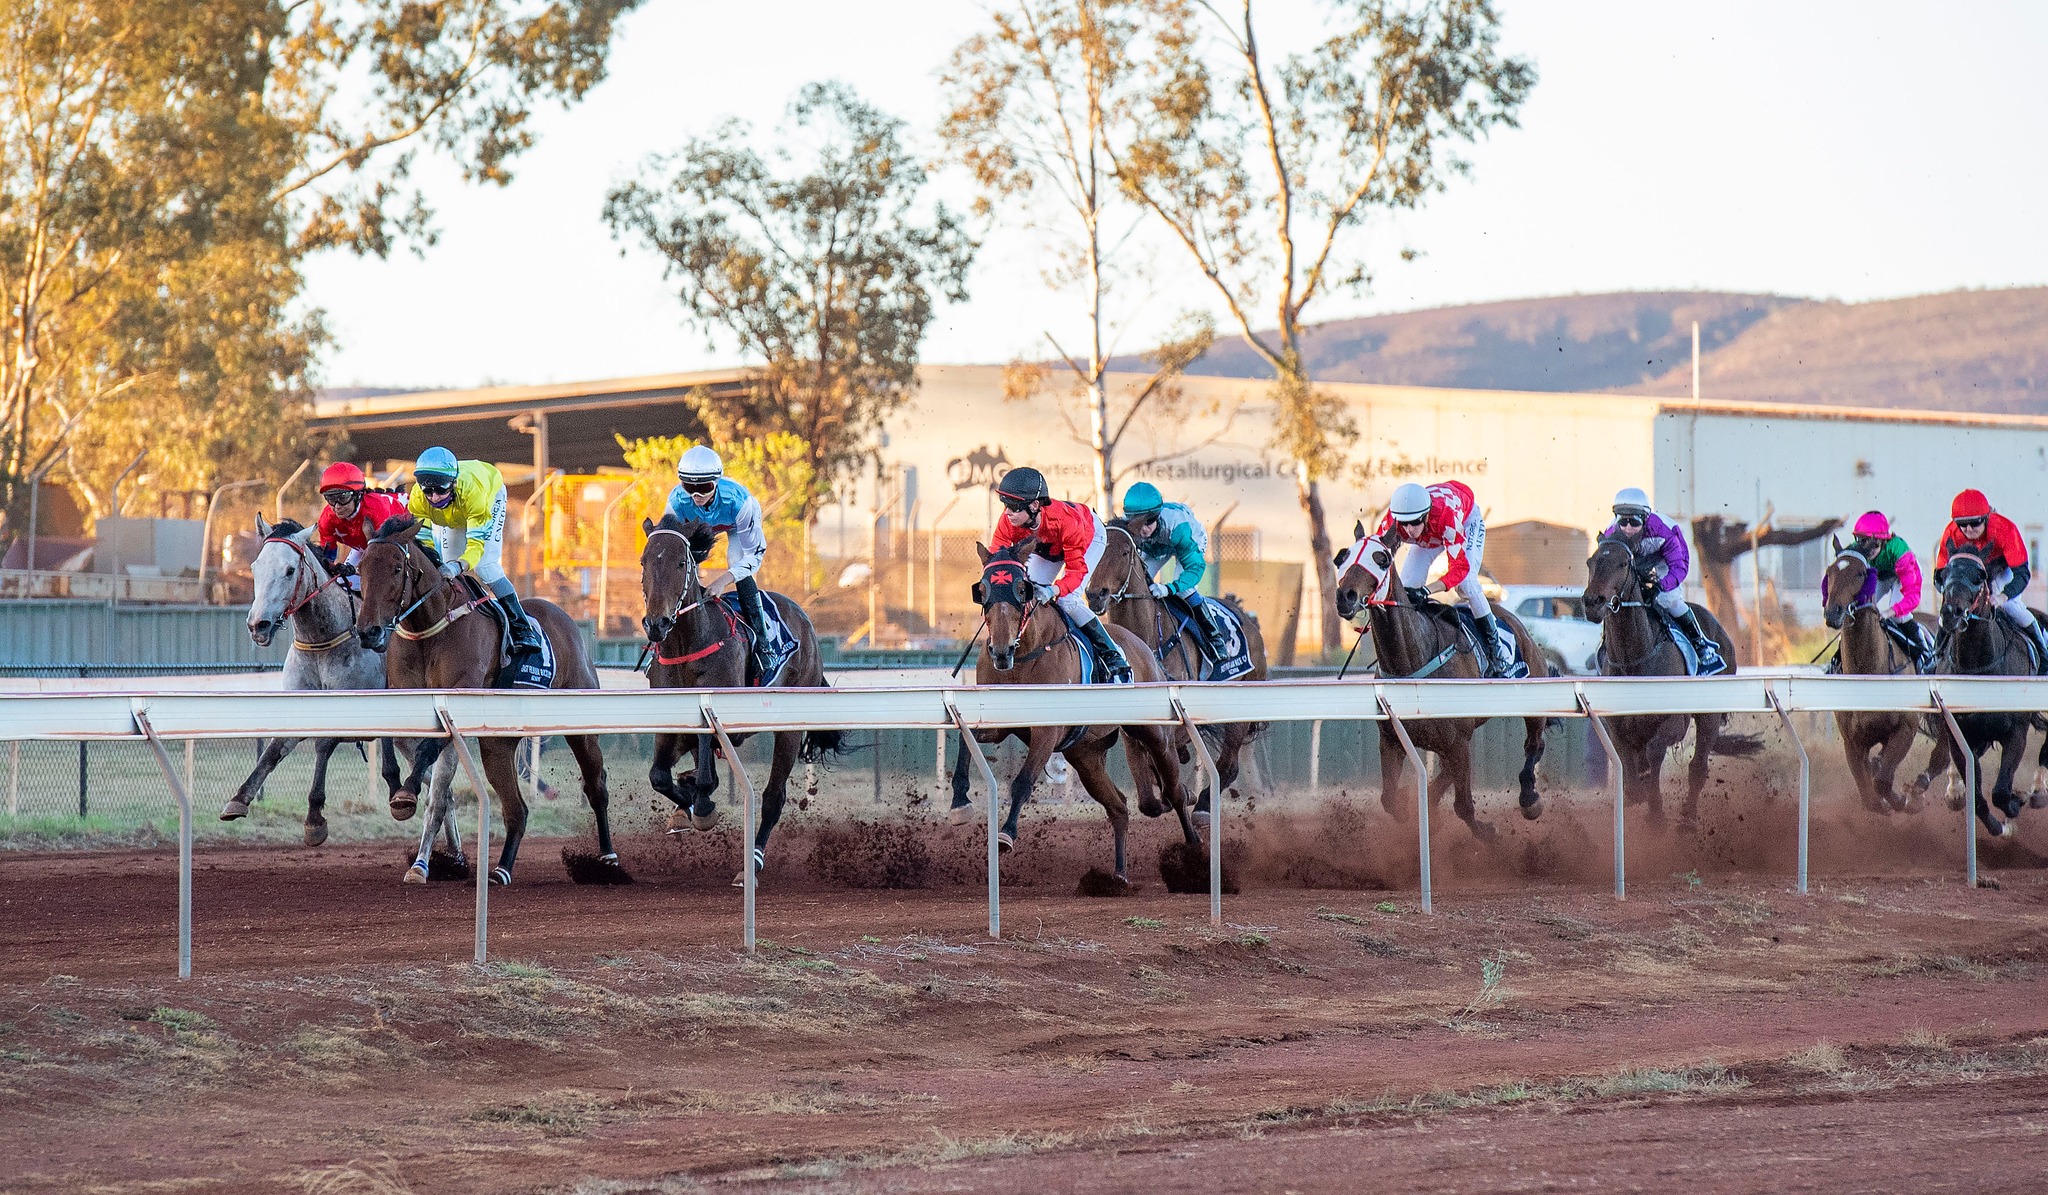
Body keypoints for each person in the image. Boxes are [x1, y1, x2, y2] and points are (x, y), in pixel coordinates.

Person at [990, 466, 1132, 683]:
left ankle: (1112, 654)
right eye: (1005, 506)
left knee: (1068, 601)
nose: (1007, 512)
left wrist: (1054, 589)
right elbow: (994, 562)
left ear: (1035, 505)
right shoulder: (1009, 522)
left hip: (1088, 537)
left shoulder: (1067, 522)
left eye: (1014, 507)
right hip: (1048, 547)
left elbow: (1077, 571)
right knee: (1030, 593)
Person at [406, 446, 542, 657]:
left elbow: (476, 547)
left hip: (488, 494)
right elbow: (425, 544)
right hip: (454, 513)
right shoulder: (417, 498)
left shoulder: (473, 492)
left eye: (441, 489)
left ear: (453, 482)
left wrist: (458, 565)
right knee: (445, 564)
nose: (434, 497)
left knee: (485, 567)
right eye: (428, 491)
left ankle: (522, 627)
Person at [1373, 479, 1510, 677]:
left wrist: (1428, 590)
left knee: (1467, 585)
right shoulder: (1391, 522)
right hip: (1431, 534)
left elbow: (1459, 569)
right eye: (1404, 523)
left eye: (1415, 522)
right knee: (1407, 587)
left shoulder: (1447, 517)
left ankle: (1495, 649)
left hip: (1465, 521)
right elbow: (1379, 559)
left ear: (1426, 514)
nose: (1410, 530)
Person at [664, 444, 774, 681]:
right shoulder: (676, 502)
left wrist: (722, 582)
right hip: (697, 527)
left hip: (734, 524)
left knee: (735, 559)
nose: (696, 496)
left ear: (716, 483)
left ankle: (762, 643)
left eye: (703, 488)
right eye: (689, 487)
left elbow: (754, 555)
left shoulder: (740, 502)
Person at [1601, 487, 1725, 674]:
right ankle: (1605, 645)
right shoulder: (1611, 534)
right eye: (1622, 521)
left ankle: (1702, 647)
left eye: (1634, 522)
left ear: (1645, 518)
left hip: (1664, 562)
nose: (1627, 528)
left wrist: (1659, 586)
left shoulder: (1665, 531)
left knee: (1669, 600)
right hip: (1633, 562)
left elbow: (1679, 566)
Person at [1933, 488, 2048, 667]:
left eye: (1975, 523)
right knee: (1947, 613)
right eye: (1963, 524)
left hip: (2001, 569)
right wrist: (1951, 595)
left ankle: (2044, 657)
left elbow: (2022, 573)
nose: (1969, 529)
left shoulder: (2005, 529)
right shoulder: (1951, 533)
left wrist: (2003, 596)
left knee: (2014, 609)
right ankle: (1934, 657)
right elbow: (1939, 574)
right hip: (1967, 576)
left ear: (1986, 518)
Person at [1119, 481, 1230, 662]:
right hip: (1156, 547)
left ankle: (1214, 638)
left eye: (1149, 521)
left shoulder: (1181, 528)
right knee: (1141, 581)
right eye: (1137, 522)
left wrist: (1168, 589)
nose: (1144, 528)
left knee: (1184, 588)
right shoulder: (1129, 527)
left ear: (1157, 515)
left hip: (1184, 540)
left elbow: (1195, 569)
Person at [1841, 510, 1936, 672]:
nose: (1868, 549)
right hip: (1879, 575)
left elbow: (1912, 598)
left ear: (1884, 541)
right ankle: (1839, 658)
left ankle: (1924, 653)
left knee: (1900, 617)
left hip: (1903, 575)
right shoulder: (1855, 551)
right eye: (1862, 541)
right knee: (1857, 611)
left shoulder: (1900, 552)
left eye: (1874, 544)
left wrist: (1890, 612)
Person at [313, 462, 419, 590]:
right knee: (343, 585)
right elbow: (327, 561)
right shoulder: (326, 519)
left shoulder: (376, 511)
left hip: (411, 528)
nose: (337, 506)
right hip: (367, 547)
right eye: (330, 498)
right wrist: (335, 567)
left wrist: (354, 570)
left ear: (358, 495)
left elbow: (383, 563)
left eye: (342, 497)